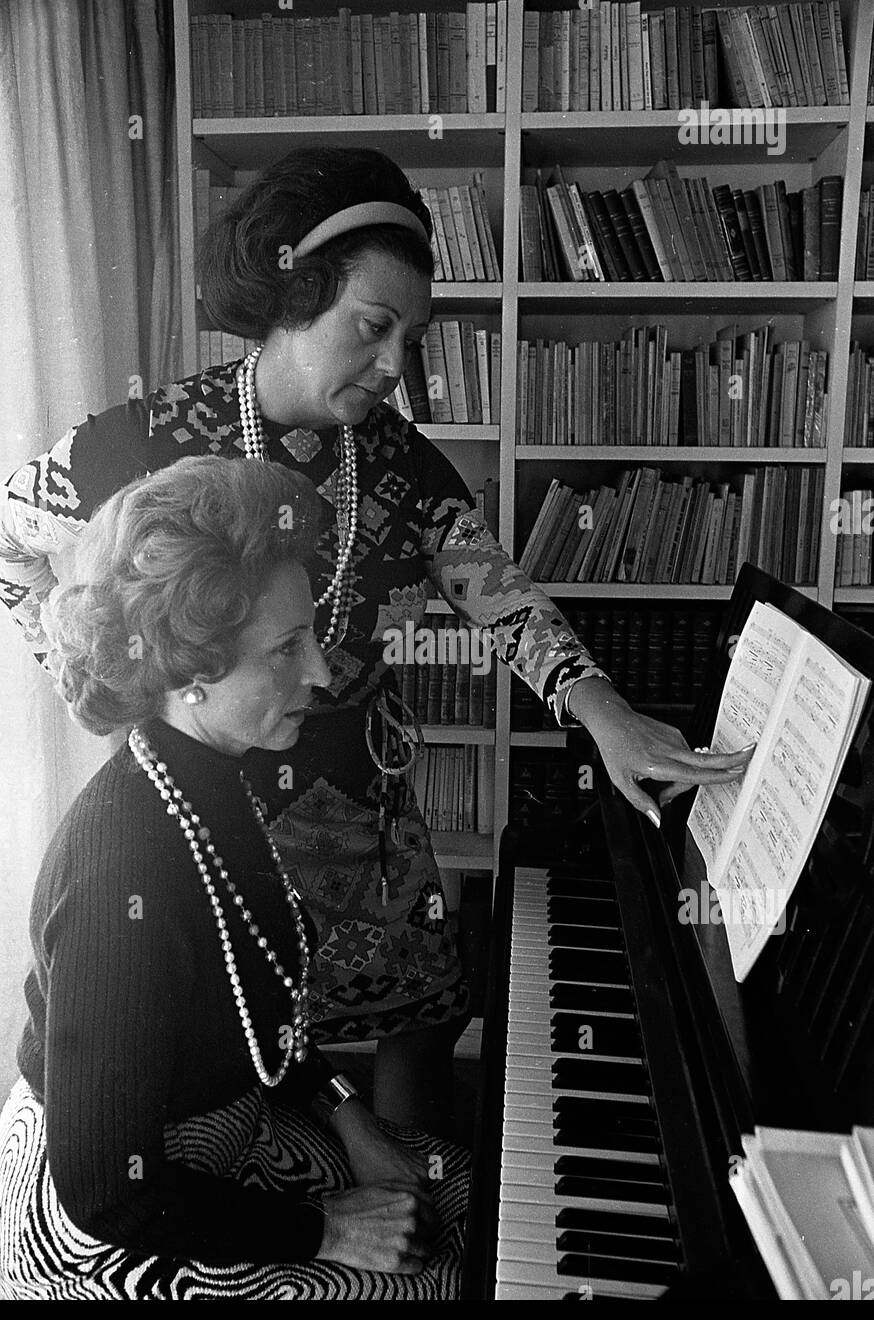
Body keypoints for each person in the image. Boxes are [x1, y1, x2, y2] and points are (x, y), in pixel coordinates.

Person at [0, 145, 753, 1132]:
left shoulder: (402, 459)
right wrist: (105, 681)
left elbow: (500, 595)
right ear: (293, 294)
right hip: (206, 798)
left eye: (412, 335)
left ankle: (424, 1222)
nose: (398, 364)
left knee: (419, 1021)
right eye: (372, 325)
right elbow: (15, 546)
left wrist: (604, 715)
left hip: (362, 805)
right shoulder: (147, 436)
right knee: (233, 1032)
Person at [0, 455, 468, 1301]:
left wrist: (348, 1114)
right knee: (440, 1283)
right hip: (116, 1229)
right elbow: (108, 1189)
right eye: (287, 650)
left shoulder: (219, 775)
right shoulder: (122, 870)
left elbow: (260, 1006)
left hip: (224, 1132)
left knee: (461, 1193)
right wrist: (329, 1228)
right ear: (189, 673)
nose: (322, 674)